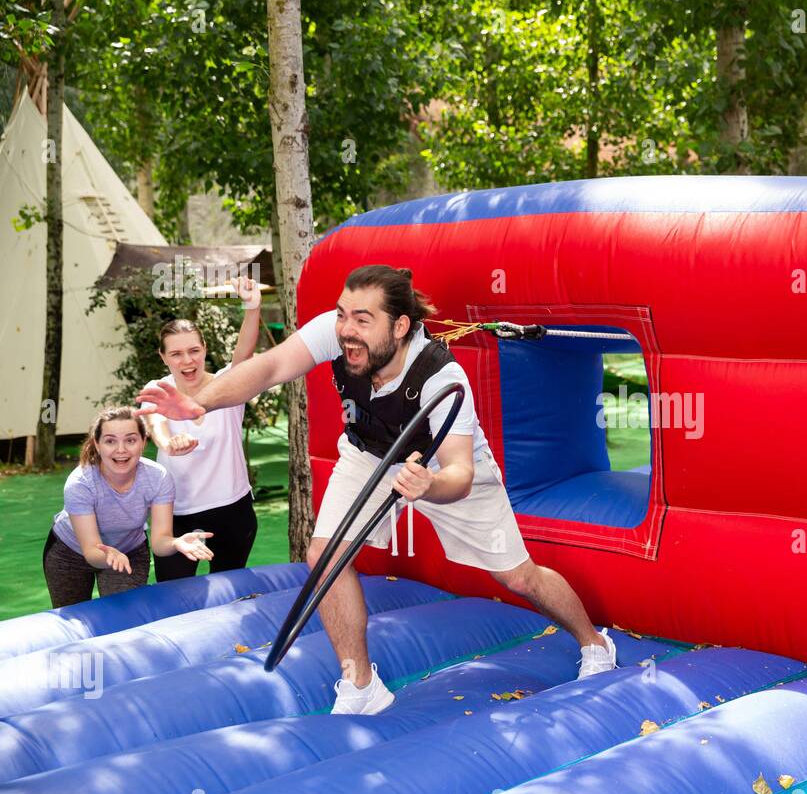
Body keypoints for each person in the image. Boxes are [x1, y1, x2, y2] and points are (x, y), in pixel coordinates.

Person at [136, 264, 617, 715]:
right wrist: (198, 405)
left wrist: (428, 484)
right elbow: (267, 369)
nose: (346, 328)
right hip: (368, 453)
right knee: (324, 555)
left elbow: (459, 473)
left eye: (362, 319)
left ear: (401, 326)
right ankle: (361, 684)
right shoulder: (337, 333)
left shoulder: (442, 377)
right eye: (344, 314)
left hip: (437, 466)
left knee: (519, 578)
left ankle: (594, 643)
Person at [146, 276, 263, 581]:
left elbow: (245, 357)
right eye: (176, 353)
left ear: (204, 348)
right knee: (174, 598)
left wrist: (252, 307)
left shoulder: (227, 384)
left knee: (228, 595)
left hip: (233, 510)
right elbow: (156, 424)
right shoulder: (159, 388)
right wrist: (169, 444)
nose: (187, 360)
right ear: (163, 357)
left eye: (194, 350)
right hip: (178, 513)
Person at [44, 406, 215, 608]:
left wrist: (175, 543)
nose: (121, 449)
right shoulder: (80, 483)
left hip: (129, 551)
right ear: (97, 445)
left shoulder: (158, 477)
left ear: (143, 442)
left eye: (131, 440)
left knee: (125, 616)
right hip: (69, 553)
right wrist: (109, 555)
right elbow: (91, 551)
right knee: (74, 619)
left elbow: (160, 542)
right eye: (110, 441)